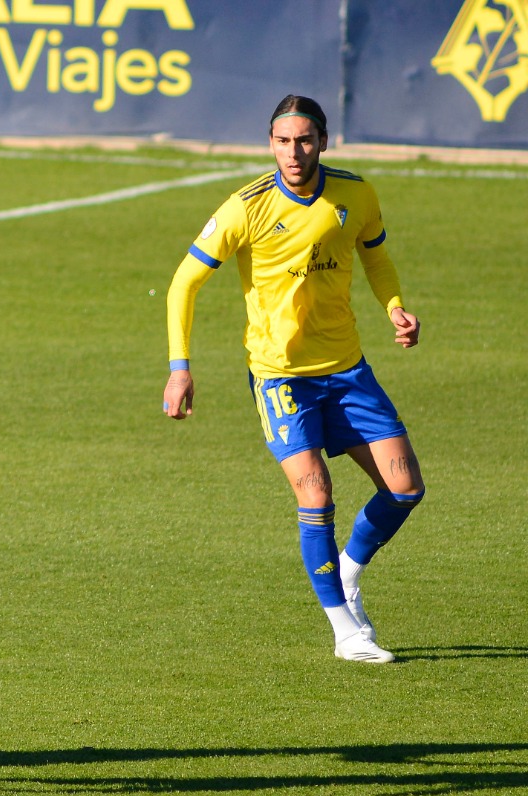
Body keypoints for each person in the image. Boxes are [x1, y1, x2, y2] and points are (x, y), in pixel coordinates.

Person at [163, 95, 424, 664]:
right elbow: (184, 282)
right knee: (316, 493)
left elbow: (375, 257)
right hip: (281, 378)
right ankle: (344, 630)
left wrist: (395, 308)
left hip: (348, 371)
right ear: (270, 144)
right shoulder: (245, 207)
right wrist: (179, 367)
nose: (294, 152)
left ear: (324, 142)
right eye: (283, 141)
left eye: (304, 140)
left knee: (405, 489)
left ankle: (348, 572)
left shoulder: (354, 194)